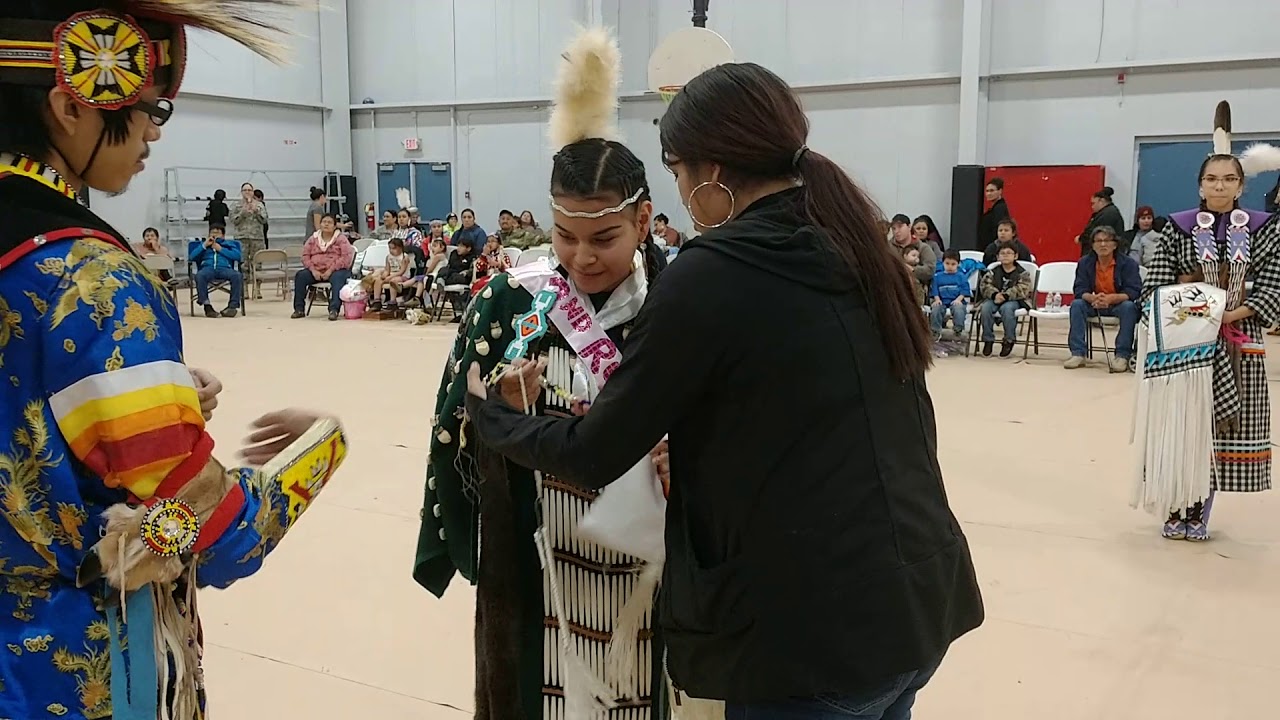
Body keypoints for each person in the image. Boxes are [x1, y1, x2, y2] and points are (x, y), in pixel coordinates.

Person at [458, 58, 982, 719]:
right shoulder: (849, 244)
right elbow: (803, 413)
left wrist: (494, 418)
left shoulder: (710, 274)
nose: (582, 255)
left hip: (813, 641)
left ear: (705, 175)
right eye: (566, 237)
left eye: (679, 175)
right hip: (913, 603)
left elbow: (594, 451)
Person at [0, 3, 348, 718]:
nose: (156, 130)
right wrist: (321, 449)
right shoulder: (93, 283)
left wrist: (161, 393)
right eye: (147, 107)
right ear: (69, 107)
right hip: (71, 674)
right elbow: (200, 531)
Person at [414, 28, 672, 719]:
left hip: (653, 577)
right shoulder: (510, 302)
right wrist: (495, 411)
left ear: (643, 220)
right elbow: (453, 424)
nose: (581, 257)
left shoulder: (679, 306)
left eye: (604, 238)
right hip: (539, 564)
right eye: (565, 235)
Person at [1133, 101, 1280, 542]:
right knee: (1182, 425)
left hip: (1238, 341)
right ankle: (1177, 504)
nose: (1220, 185)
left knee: (1220, 428)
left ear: (1241, 186)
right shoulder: (1177, 227)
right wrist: (1193, 308)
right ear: (1199, 185)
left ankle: (1200, 510)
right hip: (1182, 344)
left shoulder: (1265, 228)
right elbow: (1154, 288)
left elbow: (1274, 284)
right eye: (1212, 178)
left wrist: (1227, 312)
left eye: (1229, 179)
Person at [1064, 226, 1141, 372]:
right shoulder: (1085, 262)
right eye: (1098, 241)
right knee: (1077, 305)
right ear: (1092, 245)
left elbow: (1134, 291)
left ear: (1115, 244)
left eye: (1107, 240)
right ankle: (1078, 353)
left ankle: (1122, 355)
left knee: (1129, 307)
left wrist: (1111, 299)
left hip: (1117, 303)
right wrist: (1093, 297)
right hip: (1095, 302)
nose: (1103, 245)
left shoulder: (1128, 263)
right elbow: (1079, 290)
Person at [292, 213, 354, 321]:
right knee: (300, 276)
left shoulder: (341, 239)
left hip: (336, 270)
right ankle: (299, 309)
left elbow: (345, 258)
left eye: (329, 223)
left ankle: (334, 310)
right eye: (324, 222)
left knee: (338, 278)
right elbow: (305, 256)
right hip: (316, 270)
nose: (326, 224)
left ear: (335, 226)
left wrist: (330, 270)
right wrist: (313, 270)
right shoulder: (313, 239)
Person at [977, 242, 1032, 357]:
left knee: (1007, 309)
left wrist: (1006, 296)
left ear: (1015, 256)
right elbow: (985, 285)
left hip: (1014, 300)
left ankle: (1009, 340)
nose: (1005, 255)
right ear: (997, 257)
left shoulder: (1022, 273)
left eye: (1009, 253)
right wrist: (995, 295)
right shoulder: (992, 271)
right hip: (995, 299)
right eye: (1002, 253)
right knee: (986, 308)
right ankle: (988, 340)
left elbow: (1023, 288)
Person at [189, 223, 243, 318]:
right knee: (200, 275)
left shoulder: (229, 245)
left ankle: (232, 307)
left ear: (223, 235)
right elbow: (192, 257)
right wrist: (204, 245)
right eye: (212, 233)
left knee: (237, 275)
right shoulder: (204, 246)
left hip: (225, 269)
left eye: (217, 233)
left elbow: (238, 257)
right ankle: (207, 306)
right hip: (207, 268)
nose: (214, 235)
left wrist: (220, 249)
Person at [929, 248, 971, 338]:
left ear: (958, 264)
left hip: (957, 300)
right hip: (942, 301)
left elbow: (964, 290)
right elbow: (935, 289)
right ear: (943, 263)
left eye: (953, 264)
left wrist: (959, 299)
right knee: (935, 309)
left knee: (959, 309)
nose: (950, 266)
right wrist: (937, 299)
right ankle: (935, 331)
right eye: (947, 263)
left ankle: (958, 329)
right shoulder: (937, 276)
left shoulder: (961, 276)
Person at [891, 212, 936, 288]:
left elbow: (930, 270)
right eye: (894, 228)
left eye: (900, 227)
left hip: (917, 289)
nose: (896, 231)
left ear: (909, 226)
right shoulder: (887, 248)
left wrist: (912, 270)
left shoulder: (923, 247)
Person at [1077, 186, 1125, 257]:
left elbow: (1094, 232)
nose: (1092, 207)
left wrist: (1081, 238)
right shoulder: (1108, 212)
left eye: (1093, 203)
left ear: (1101, 201)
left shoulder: (1107, 215)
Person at [370, 236, 413, 310]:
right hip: (391, 274)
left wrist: (390, 277)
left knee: (393, 281)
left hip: (403, 276)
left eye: (394, 248)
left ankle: (393, 301)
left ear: (400, 248)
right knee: (378, 280)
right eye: (390, 248)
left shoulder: (404, 257)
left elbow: (401, 271)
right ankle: (377, 301)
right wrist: (384, 275)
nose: (391, 250)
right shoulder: (388, 257)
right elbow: (387, 269)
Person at [230, 180, 268, 261]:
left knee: (257, 262)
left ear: (253, 192)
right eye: (245, 190)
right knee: (243, 262)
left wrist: (257, 212)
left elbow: (264, 220)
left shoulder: (259, 204)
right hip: (241, 238)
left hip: (256, 238)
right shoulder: (236, 205)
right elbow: (233, 220)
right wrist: (242, 213)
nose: (247, 192)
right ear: (241, 192)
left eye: (249, 190)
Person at [978, 177, 1011, 249]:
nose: (989, 193)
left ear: (1000, 191)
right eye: (987, 191)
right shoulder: (995, 209)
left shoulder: (1000, 209)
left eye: (992, 191)